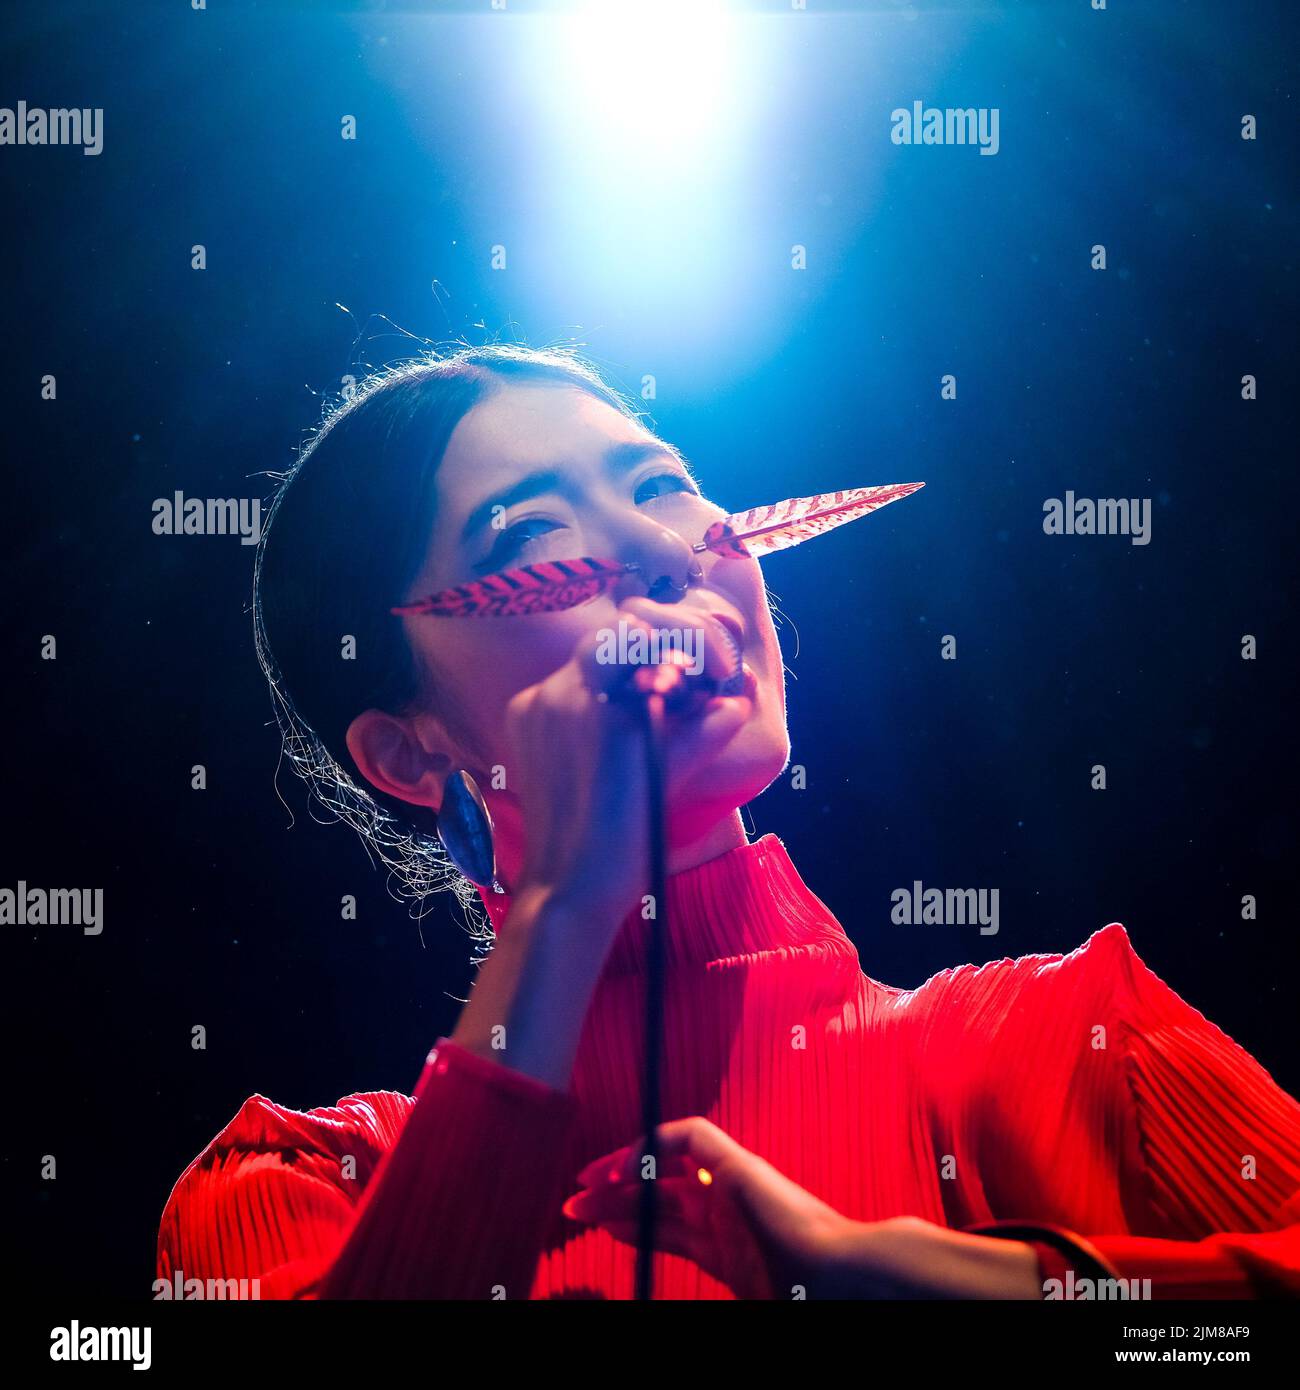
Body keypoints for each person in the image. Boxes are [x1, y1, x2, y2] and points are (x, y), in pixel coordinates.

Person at [156, 344, 1300, 1299]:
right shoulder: (299, 1186)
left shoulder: (1066, 1044)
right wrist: (560, 907)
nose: (663, 550)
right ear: (414, 750)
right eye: (529, 535)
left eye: (660, 486)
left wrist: (938, 1279)